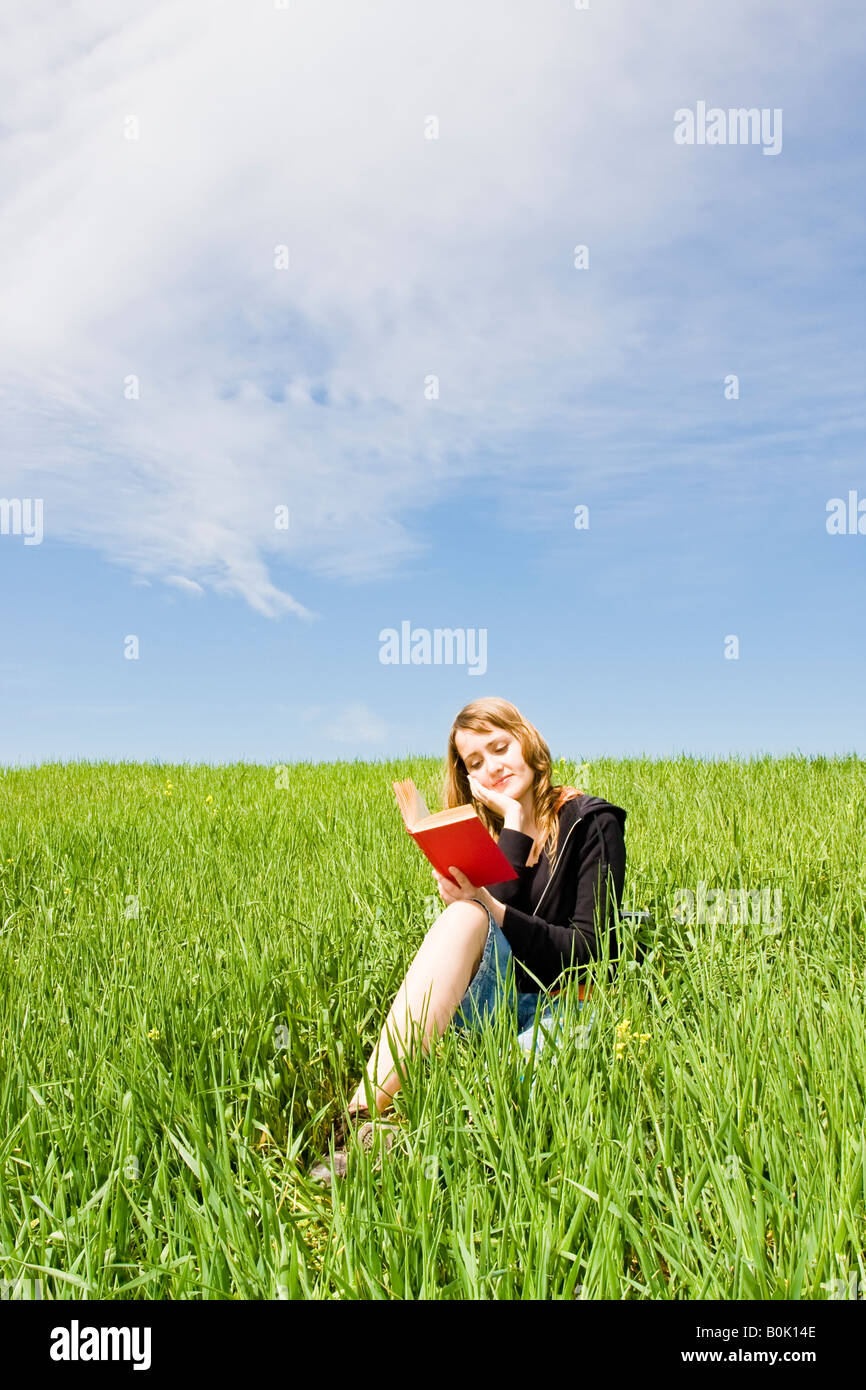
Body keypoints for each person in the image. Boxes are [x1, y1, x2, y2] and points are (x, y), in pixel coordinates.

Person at [308, 696, 627, 1184]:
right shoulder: (500, 834)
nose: (492, 767)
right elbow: (486, 927)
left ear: (527, 741)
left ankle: (407, 1147)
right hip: (494, 1005)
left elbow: (591, 950)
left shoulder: (591, 822)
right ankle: (356, 1119)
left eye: (500, 748)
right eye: (475, 762)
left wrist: (492, 903)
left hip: (563, 1007)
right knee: (464, 917)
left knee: (501, 1109)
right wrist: (513, 832)